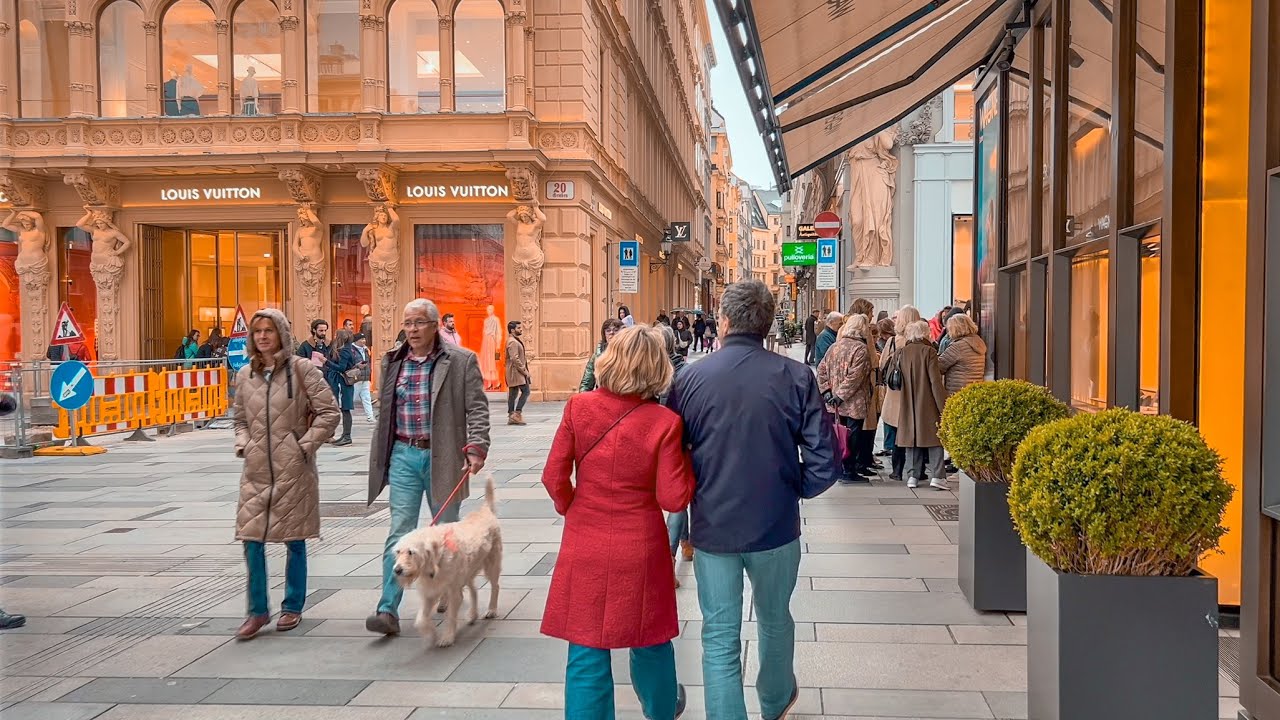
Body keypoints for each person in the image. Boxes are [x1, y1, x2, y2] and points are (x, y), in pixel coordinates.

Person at [667, 280, 840, 720]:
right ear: (765, 324)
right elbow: (825, 460)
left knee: (720, 635)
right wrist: (791, 486)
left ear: (723, 321)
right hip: (775, 525)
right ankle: (776, 701)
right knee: (775, 618)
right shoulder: (795, 376)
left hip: (713, 526)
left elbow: (670, 454)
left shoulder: (690, 377)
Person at [541, 325, 694, 720]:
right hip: (640, 542)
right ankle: (661, 711)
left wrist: (573, 507)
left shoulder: (579, 407)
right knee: (651, 638)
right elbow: (673, 498)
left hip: (585, 538)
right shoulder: (664, 422)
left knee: (587, 647)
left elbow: (553, 477)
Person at [365, 298, 491, 636]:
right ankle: (387, 608)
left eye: (419, 322)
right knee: (399, 531)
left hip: (445, 456)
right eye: (407, 323)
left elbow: (477, 407)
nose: (412, 329)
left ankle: (448, 588)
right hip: (404, 454)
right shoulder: (392, 361)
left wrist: (476, 447)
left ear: (435, 325)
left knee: (446, 533)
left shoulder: (461, 360)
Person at [231, 309, 340, 640]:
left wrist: (304, 446)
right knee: (251, 540)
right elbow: (239, 418)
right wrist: (243, 444)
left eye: (269, 330)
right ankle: (257, 611)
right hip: (256, 470)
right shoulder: (245, 375)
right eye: (257, 331)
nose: (262, 336)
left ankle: (292, 605)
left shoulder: (301, 370)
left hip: (294, 468)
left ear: (281, 333)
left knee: (294, 538)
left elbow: (329, 412)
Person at [817, 314, 873, 483]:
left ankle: (840, 467)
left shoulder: (835, 346)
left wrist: (828, 391)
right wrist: (840, 395)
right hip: (853, 401)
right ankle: (849, 470)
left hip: (835, 401)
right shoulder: (860, 349)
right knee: (852, 435)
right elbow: (856, 376)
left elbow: (821, 369)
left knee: (839, 434)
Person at [898, 320, 949, 490]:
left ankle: (912, 476)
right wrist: (944, 406)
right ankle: (938, 476)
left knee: (911, 438)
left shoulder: (902, 352)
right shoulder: (929, 351)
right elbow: (935, 381)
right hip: (927, 400)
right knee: (934, 439)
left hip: (906, 400)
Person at [880, 305, 921, 480]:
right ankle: (917, 471)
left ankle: (897, 470)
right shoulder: (923, 341)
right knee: (915, 431)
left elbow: (882, 365)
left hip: (896, 390)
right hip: (916, 390)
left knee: (897, 431)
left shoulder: (893, 341)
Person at [324, 329, 361, 446]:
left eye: (336, 336)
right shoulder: (344, 349)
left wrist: (326, 362)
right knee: (344, 409)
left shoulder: (345, 350)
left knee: (345, 409)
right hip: (341, 383)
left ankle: (346, 436)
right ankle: (344, 436)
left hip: (343, 383)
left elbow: (341, 368)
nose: (335, 337)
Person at [939, 314, 987, 394]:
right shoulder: (978, 342)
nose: (948, 332)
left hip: (958, 391)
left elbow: (939, 366)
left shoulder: (958, 346)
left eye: (950, 329)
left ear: (955, 329)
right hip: (974, 390)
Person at [579, 318, 623, 392]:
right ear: (604, 334)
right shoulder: (598, 354)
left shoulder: (629, 352)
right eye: (608, 330)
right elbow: (587, 381)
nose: (611, 333)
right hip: (603, 394)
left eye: (616, 330)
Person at [505, 320, 531, 425]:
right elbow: (515, 358)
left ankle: (512, 415)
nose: (521, 330)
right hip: (516, 372)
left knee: (513, 393)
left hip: (515, 371)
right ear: (512, 330)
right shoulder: (512, 342)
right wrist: (525, 371)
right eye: (518, 328)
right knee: (526, 391)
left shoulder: (514, 340)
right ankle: (517, 413)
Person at [353, 333, 375, 422]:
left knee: (367, 397)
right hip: (356, 377)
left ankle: (370, 416)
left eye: (364, 339)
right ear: (356, 340)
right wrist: (357, 366)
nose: (363, 341)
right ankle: (344, 415)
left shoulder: (366, 350)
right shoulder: (352, 350)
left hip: (365, 377)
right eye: (361, 339)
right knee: (352, 397)